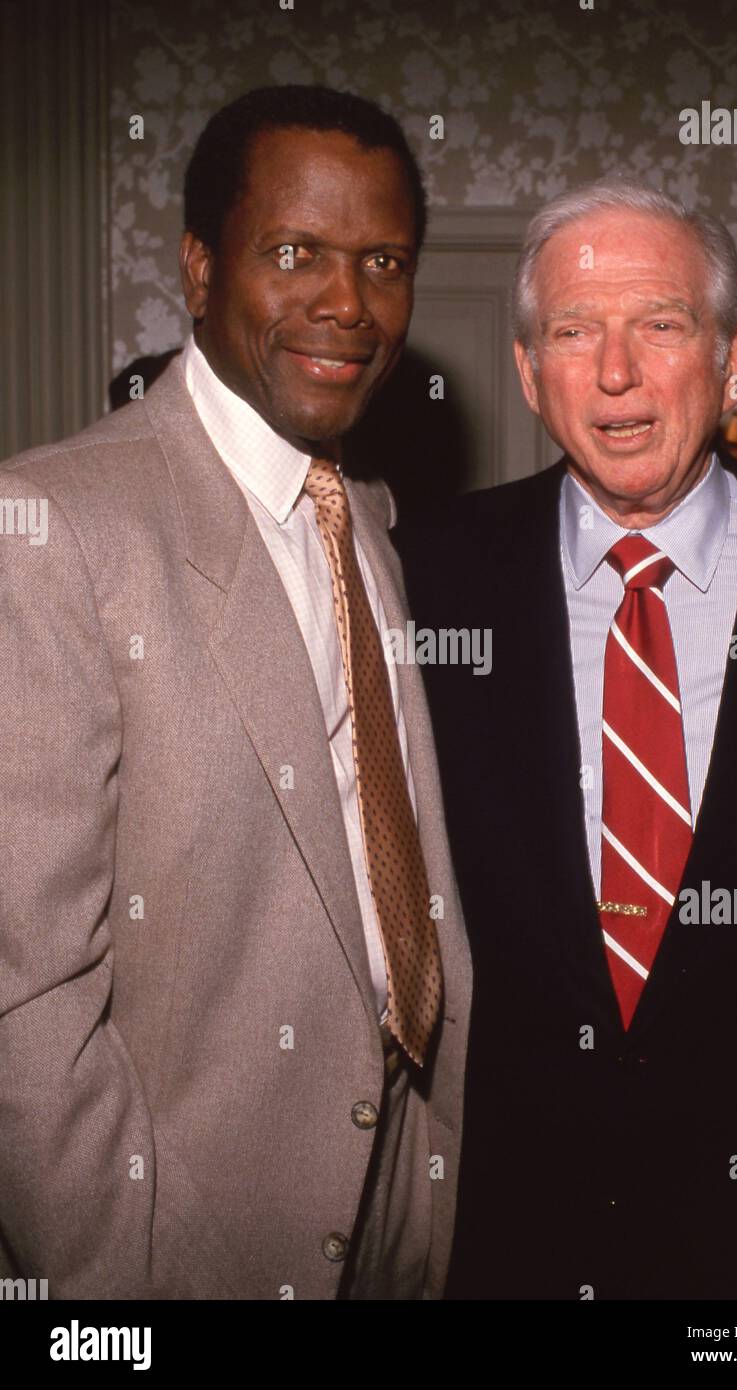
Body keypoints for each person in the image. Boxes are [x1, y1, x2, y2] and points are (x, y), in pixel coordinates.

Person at [0, 84, 470, 1300]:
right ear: (201, 271)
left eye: (383, 261)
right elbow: (24, 1002)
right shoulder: (54, 525)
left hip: (399, 1218)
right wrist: (126, 1282)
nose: (349, 304)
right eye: (295, 252)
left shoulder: (364, 515)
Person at [392, 178, 737, 1300]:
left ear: (733, 357)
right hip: (509, 1235)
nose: (615, 372)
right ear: (527, 372)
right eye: (573, 331)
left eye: (659, 324)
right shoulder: (423, 577)